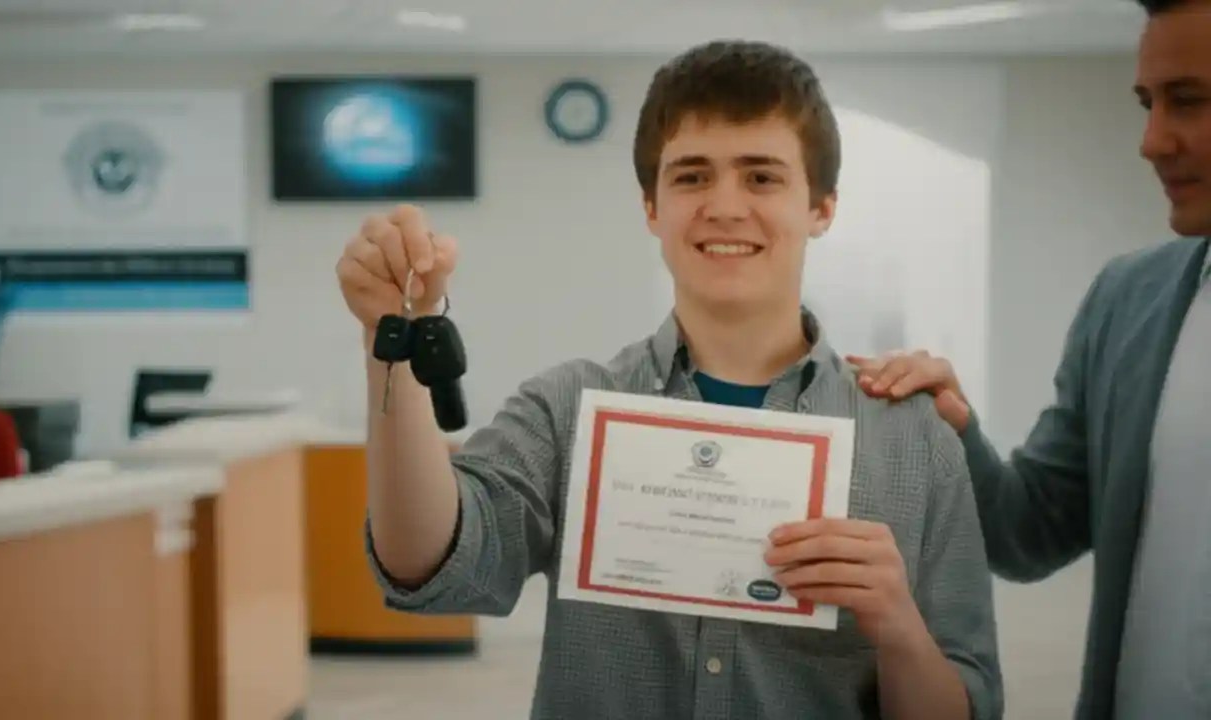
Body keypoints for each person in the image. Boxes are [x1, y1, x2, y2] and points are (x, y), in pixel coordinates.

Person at [336, 40, 1002, 720]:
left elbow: (966, 706)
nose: (724, 205)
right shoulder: (567, 408)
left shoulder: (915, 437)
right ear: (652, 207)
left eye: (762, 177)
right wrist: (387, 344)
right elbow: (430, 566)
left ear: (822, 208)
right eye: (690, 177)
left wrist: (897, 624)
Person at [847, 2, 1211, 718]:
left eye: (1191, 102)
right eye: (1147, 103)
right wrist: (954, 430)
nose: (1151, 140)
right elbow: (1030, 532)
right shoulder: (1128, 302)